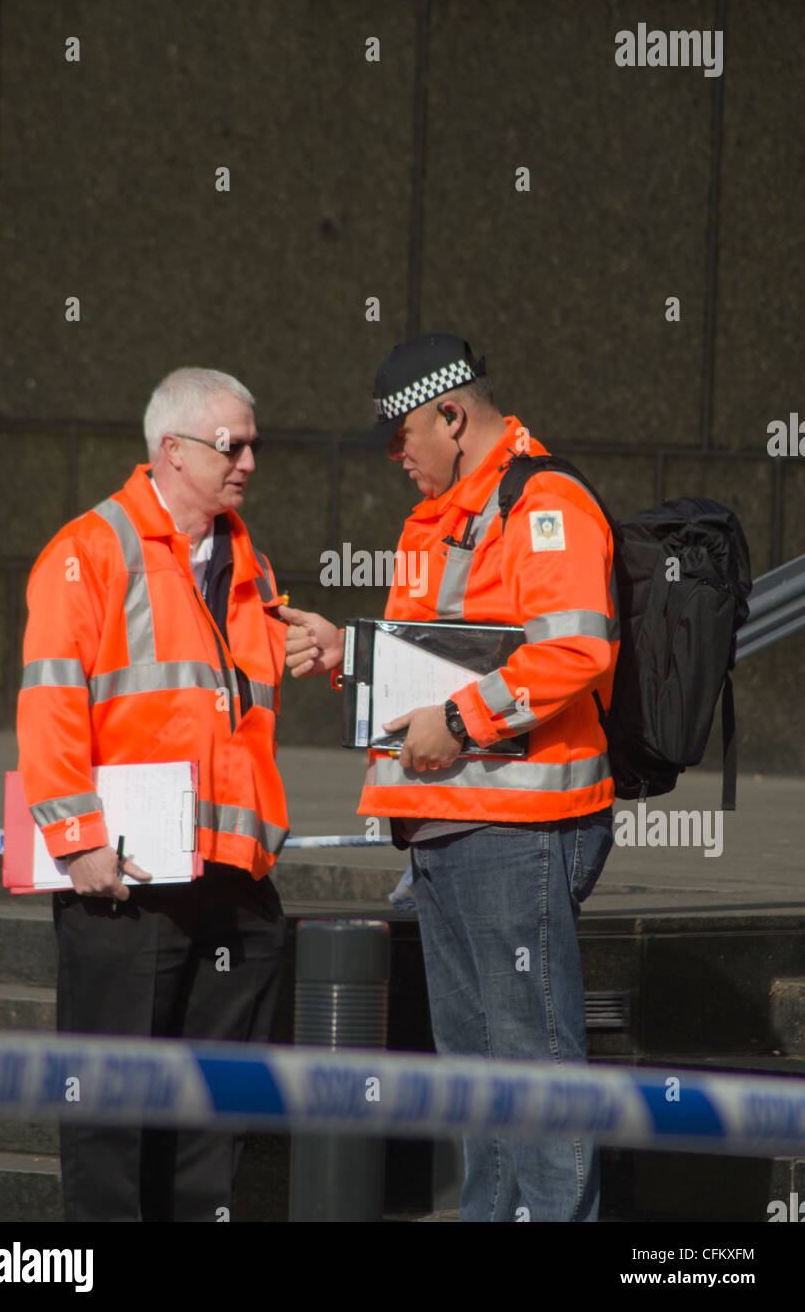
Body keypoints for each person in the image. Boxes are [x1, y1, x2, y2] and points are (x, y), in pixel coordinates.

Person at [280, 333, 619, 1222]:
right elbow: (425, 662)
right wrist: (342, 652)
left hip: (513, 833)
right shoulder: (441, 518)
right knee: (476, 1069)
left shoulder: (544, 503)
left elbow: (575, 647)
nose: (396, 458)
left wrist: (462, 722)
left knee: (531, 1062)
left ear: (451, 415)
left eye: (401, 439)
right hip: (444, 826)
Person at [16, 367, 289, 1222]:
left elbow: (234, 705)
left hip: (230, 879)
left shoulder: (247, 562)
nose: (246, 461)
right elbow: (50, 703)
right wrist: (77, 840)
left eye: (252, 444)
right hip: (124, 883)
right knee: (111, 1115)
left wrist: (319, 648)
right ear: (170, 450)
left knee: (211, 1114)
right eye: (228, 444)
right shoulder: (89, 551)